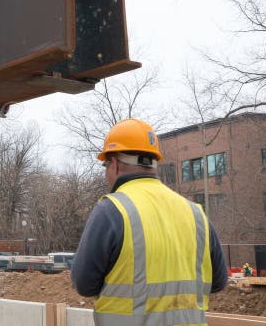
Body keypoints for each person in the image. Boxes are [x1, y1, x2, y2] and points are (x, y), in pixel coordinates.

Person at [71, 119, 228, 326]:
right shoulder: (196, 214)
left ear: (115, 164)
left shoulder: (111, 211)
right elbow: (218, 282)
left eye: (105, 164)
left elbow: (84, 284)